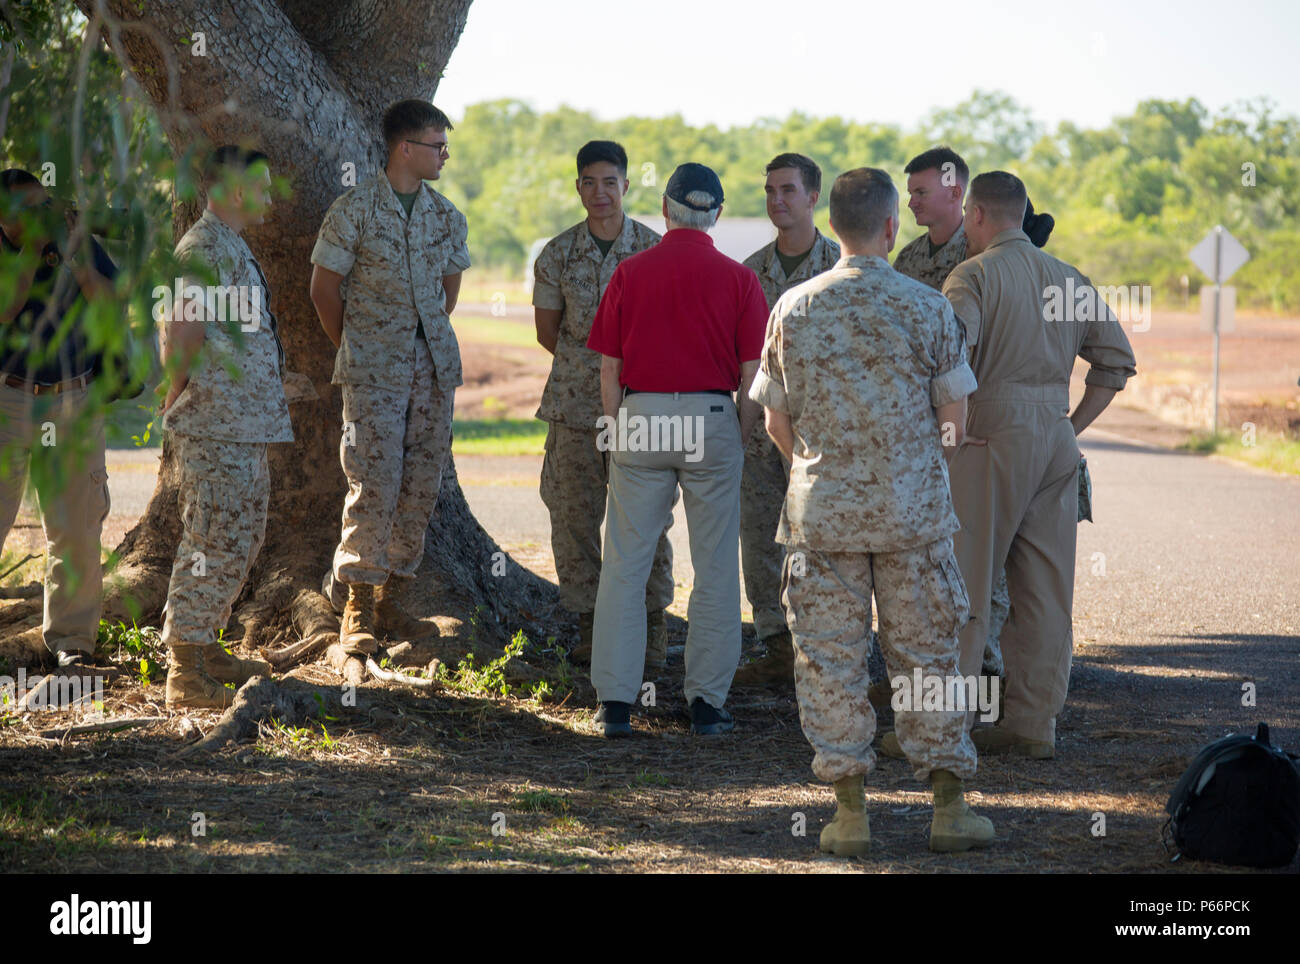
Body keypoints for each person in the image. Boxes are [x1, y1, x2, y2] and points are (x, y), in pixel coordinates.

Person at [750, 167, 994, 855]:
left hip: (823, 514)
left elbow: (774, 421)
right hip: (911, 515)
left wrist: (817, 469)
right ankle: (948, 809)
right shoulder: (927, 307)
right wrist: (917, 473)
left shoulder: (792, 308)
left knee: (829, 660)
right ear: (892, 227)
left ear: (831, 227)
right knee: (928, 658)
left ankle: (850, 814)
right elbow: (954, 416)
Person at [942, 171, 1137, 758]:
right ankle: (1033, 726)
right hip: (1055, 436)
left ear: (976, 214)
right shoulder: (1069, 278)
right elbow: (1116, 365)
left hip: (989, 437)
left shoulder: (971, 275)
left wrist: (953, 428)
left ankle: (945, 728)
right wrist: (1068, 427)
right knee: (1046, 593)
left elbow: (951, 353)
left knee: (965, 586)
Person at [585, 162, 767, 738]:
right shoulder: (739, 279)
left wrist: (615, 430)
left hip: (642, 415)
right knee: (714, 566)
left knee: (625, 563)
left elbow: (609, 367)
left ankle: (615, 702)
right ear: (715, 215)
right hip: (711, 414)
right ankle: (707, 704)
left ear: (663, 210)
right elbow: (752, 371)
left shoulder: (630, 273)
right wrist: (738, 431)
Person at [310, 99, 470, 653]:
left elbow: (448, 294)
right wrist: (357, 347)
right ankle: (356, 604)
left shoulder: (447, 216)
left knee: (422, 483)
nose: (445, 155)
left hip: (432, 372)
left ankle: (393, 599)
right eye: (437, 145)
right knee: (372, 482)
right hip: (372, 373)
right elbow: (323, 290)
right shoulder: (353, 210)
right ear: (406, 148)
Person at [532, 140, 674, 673]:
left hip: (641, 405)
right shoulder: (558, 253)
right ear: (578, 188)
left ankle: (653, 624)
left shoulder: (654, 251)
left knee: (647, 517)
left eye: (609, 182)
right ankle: (594, 626)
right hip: (573, 406)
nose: (600, 193)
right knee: (573, 515)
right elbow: (549, 331)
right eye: (589, 182)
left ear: (626, 187)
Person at [159, 147, 289, 708]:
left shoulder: (229, 244)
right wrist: (176, 394)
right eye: (261, 186)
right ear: (235, 190)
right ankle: (183, 671)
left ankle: (206, 644)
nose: (268, 195)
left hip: (240, 424)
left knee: (242, 534)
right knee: (211, 539)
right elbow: (182, 330)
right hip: (213, 424)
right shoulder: (205, 246)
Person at [0, 168, 117, 674]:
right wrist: (33, 250)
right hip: (8, 399)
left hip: (72, 401)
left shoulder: (74, 242)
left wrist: (72, 248)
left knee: (74, 530)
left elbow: (111, 306)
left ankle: (71, 645)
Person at [732, 153, 839, 688]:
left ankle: (822, 643)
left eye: (789, 190)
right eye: (771, 190)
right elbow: (743, 358)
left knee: (821, 539)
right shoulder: (750, 272)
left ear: (813, 196)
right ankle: (773, 643)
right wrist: (740, 429)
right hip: (760, 426)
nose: (778, 200)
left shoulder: (842, 266)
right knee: (758, 535)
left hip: (825, 434)